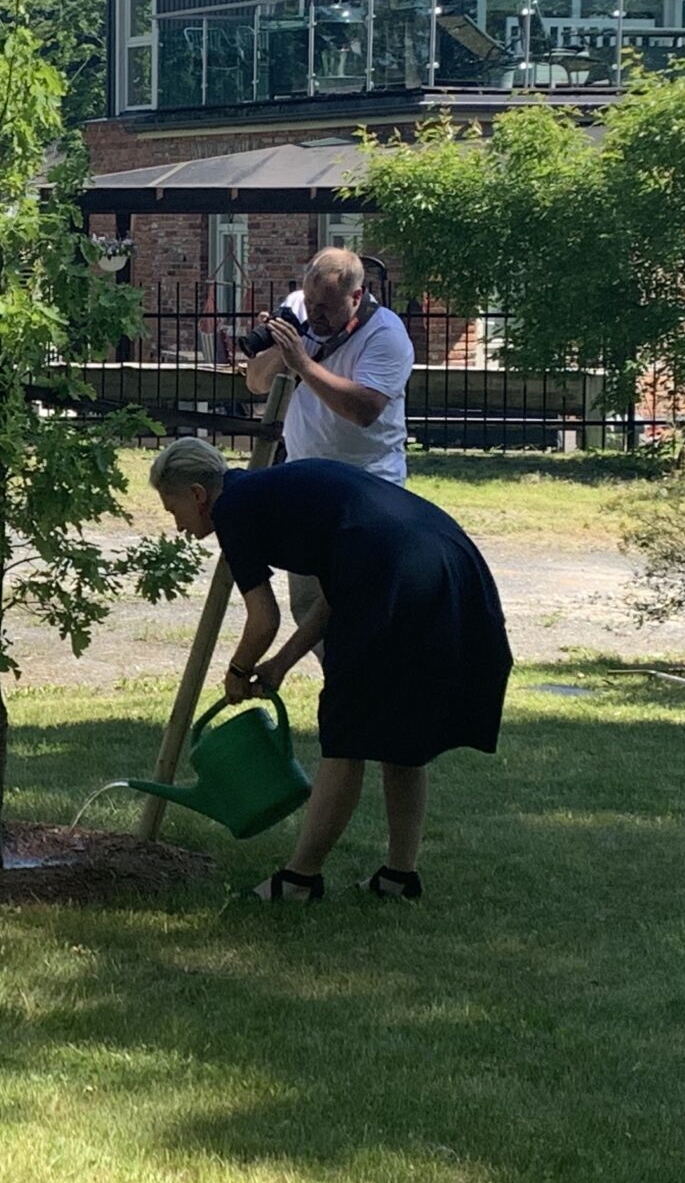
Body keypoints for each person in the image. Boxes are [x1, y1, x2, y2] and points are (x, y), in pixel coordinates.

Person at [149, 436, 510, 902]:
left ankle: (300, 880)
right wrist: (281, 664)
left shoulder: (232, 511)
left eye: (173, 509)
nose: (178, 526)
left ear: (198, 495)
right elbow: (334, 594)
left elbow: (264, 619)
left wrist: (237, 671)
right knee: (403, 737)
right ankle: (399, 878)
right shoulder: (273, 492)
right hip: (445, 561)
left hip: (392, 576)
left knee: (344, 736)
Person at [243, 246, 415, 645]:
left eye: (327, 307)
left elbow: (364, 409)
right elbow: (256, 382)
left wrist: (302, 362)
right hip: (304, 484)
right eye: (310, 303)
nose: (315, 315)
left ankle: (366, 678)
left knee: (360, 604)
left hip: (368, 490)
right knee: (308, 609)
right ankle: (338, 680)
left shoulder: (386, 334)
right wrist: (282, 350)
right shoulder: (297, 310)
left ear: (357, 297)